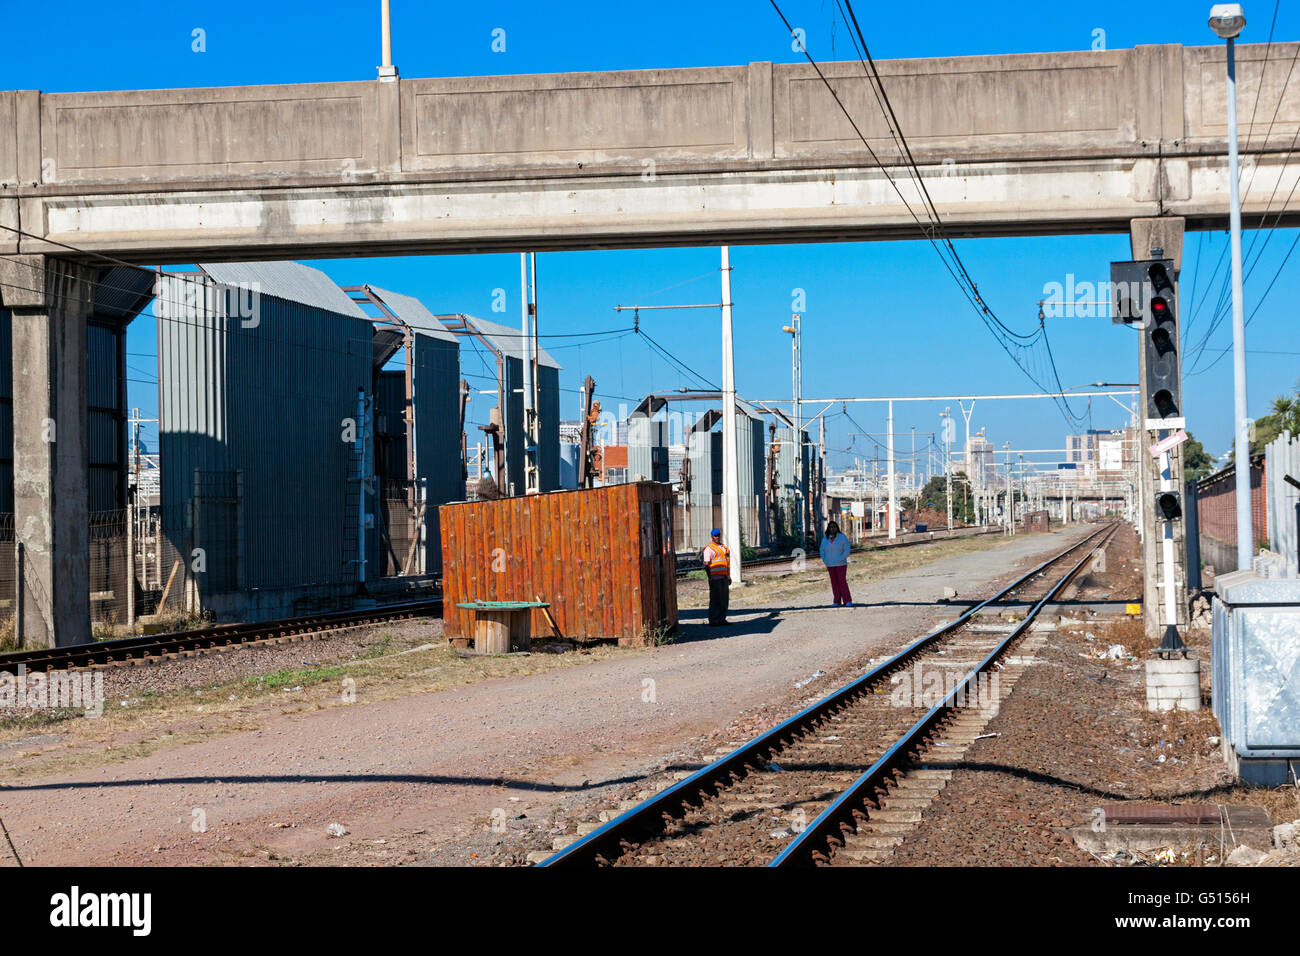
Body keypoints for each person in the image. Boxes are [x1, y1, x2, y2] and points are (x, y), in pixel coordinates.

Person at [701, 528, 731, 626]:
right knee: (715, 600)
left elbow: (726, 563)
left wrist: (728, 576)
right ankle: (713, 620)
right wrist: (710, 577)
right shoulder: (709, 549)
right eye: (715, 535)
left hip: (724, 578)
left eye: (718, 535)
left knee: (724, 599)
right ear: (712, 536)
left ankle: (721, 619)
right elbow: (706, 565)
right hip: (715, 578)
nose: (717, 537)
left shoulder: (724, 548)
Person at [819, 521, 853, 607]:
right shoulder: (825, 538)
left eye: (834, 527)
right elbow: (821, 550)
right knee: (834, 583)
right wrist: (825, 560)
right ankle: (836, 601)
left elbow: (847, 550)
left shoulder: (842, 537)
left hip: (841, 564)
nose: (832, 529)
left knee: (842, 582)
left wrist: (840, 558)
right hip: (830, 565)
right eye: (831, 527)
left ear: (837, 528)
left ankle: (847, 600)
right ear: (828, 528)